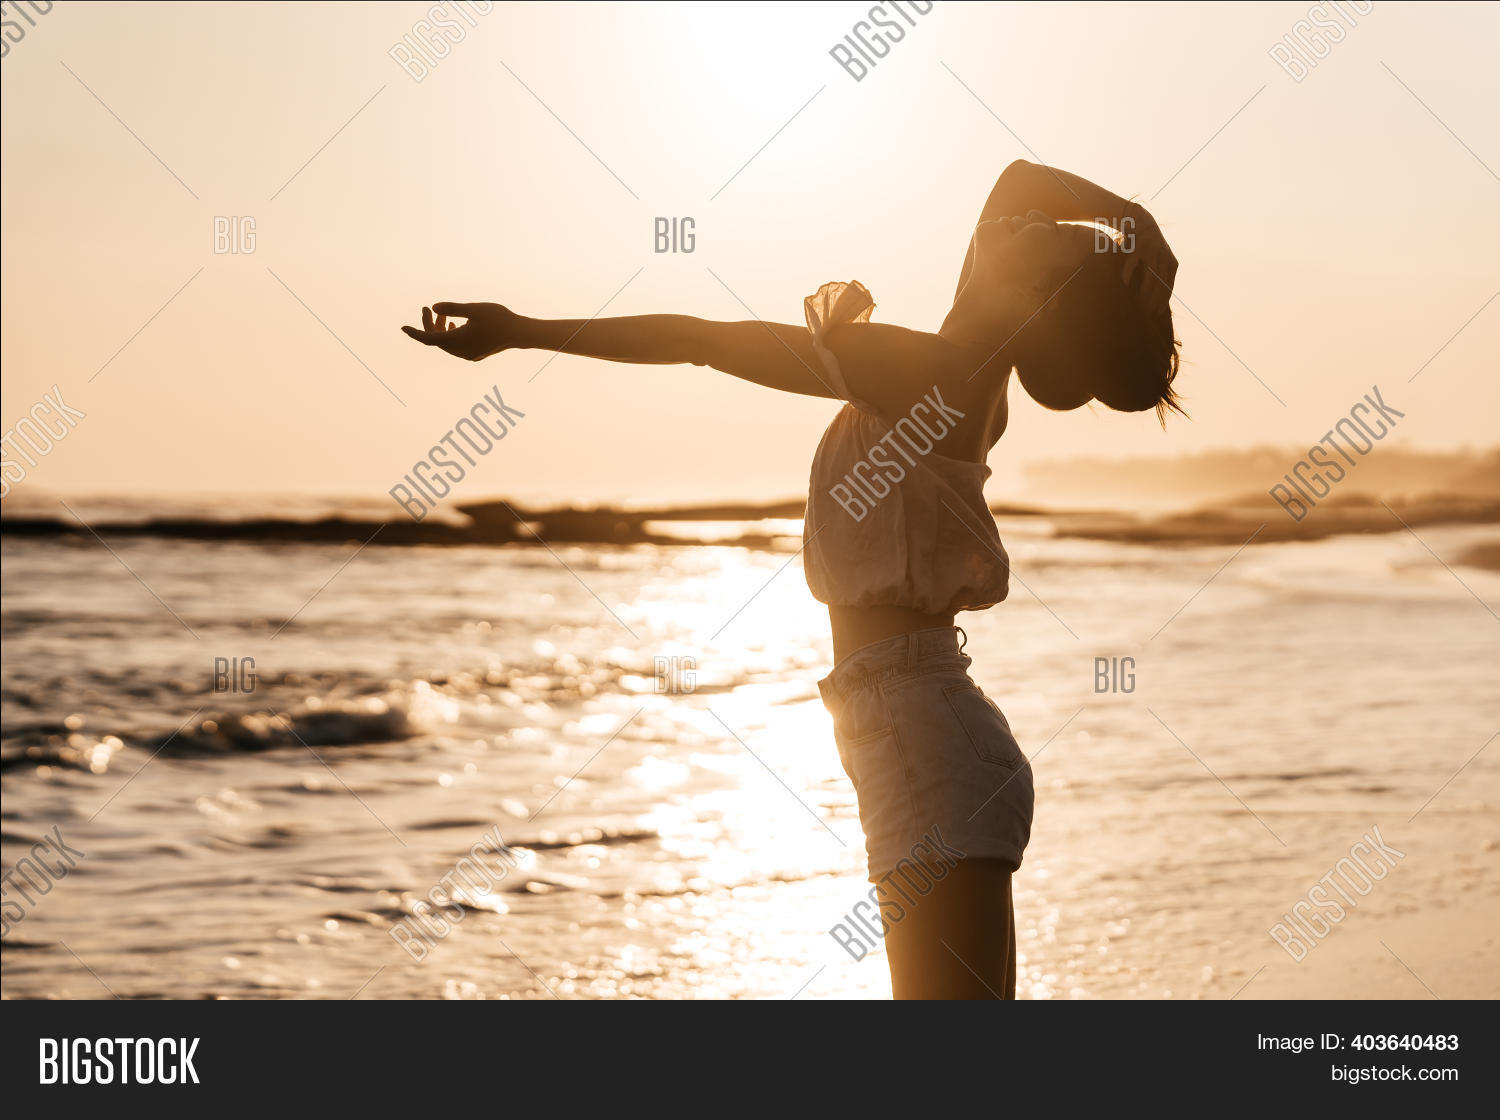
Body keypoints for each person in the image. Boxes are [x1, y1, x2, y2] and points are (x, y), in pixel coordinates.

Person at [403, 160, 1182, 999]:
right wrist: (1133, 225)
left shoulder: (933, 374)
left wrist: (524, 331)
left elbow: (700, 341)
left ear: (1037, 299)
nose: (1020, 223)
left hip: (923, 737)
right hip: (923, 727)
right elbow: (1017, 183)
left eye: (1042, 239)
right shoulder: (967, 357)